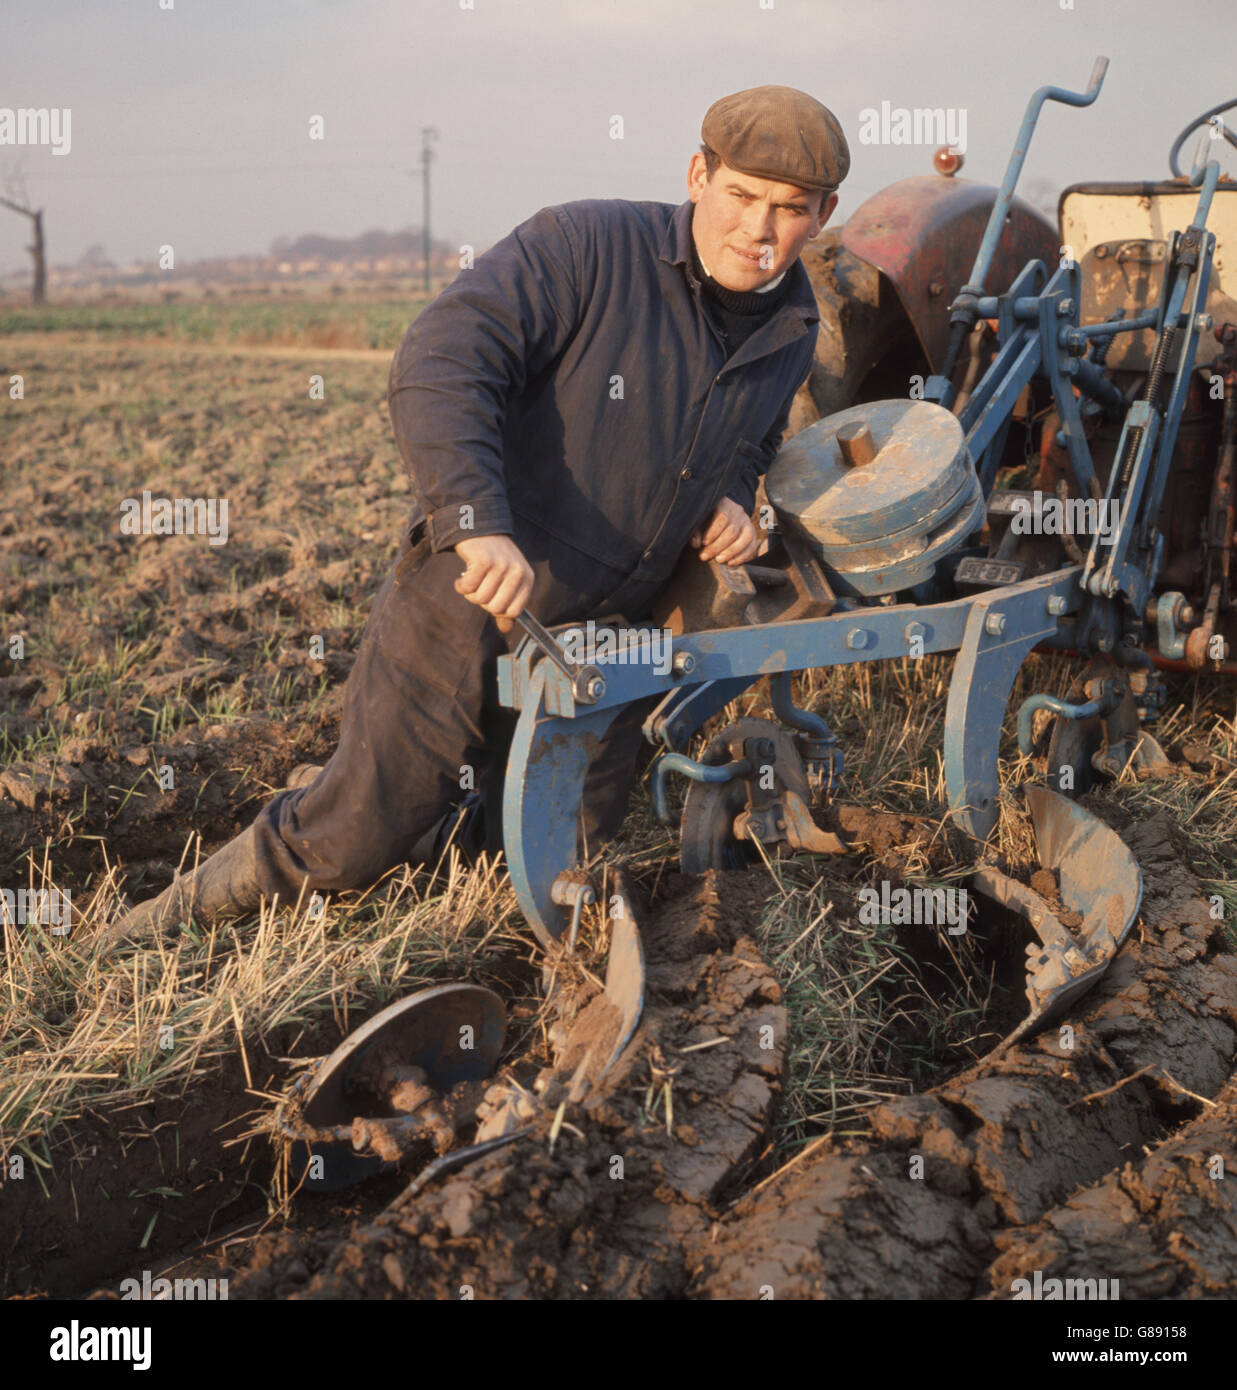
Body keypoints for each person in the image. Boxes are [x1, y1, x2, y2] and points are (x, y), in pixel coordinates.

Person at [104, 84, 849, 945]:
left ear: (823, 215)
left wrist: (729, 498)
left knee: (546, 860)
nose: (758, 229)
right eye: (741, 196)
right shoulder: (584, 246)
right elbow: (442, 359)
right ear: (697, 175)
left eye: (788, 209)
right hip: (472, 599)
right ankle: (141, 934)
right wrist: (474, 522)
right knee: (347, 845)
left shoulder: (792, 324)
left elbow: (750, 441)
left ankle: (434, 851)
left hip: (607, 637)